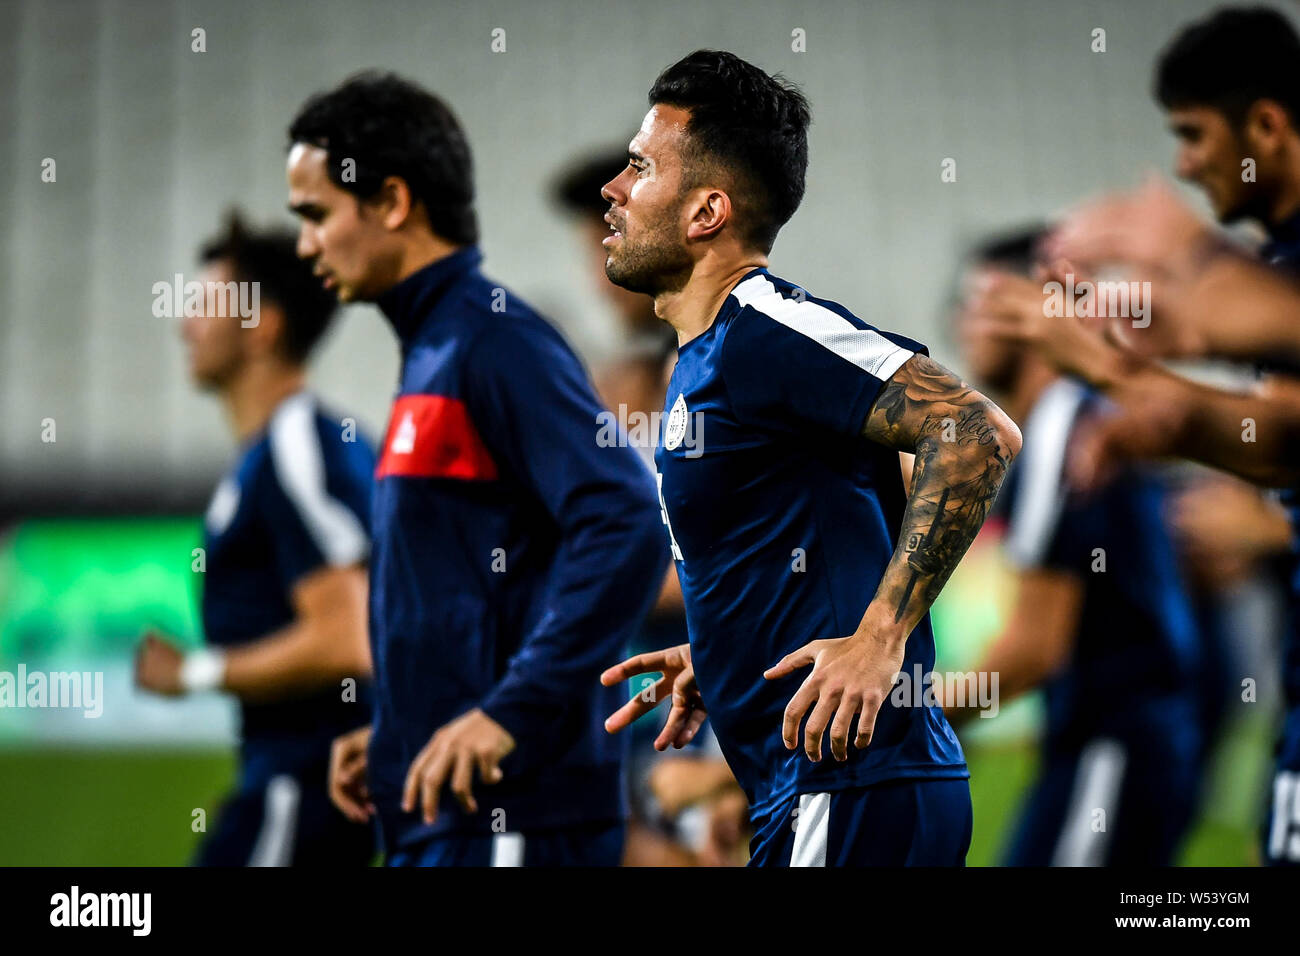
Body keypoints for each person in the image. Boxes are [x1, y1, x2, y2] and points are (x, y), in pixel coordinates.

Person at [600, 50, 1021, 866]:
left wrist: (880, 635)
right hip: (823, 787)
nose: (613, 190)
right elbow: (830, 513)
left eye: (640, 166)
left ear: (707, 211)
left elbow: (973, 431)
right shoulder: (705, 357)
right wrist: (725, 651)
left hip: (851, 781)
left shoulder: (766, 329)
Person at [286, 72, 666, 866]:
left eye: (316, 214)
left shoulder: (492, 344)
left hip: (514, 817)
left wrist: (510, 713)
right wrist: (401, 726)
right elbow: (467, 586)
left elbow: (625, 522)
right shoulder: (437, 351)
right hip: (450, 808)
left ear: (391, 202)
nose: (305, 244)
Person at [948, 229, 1204, 865]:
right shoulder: (1067, 420)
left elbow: (1035, 649)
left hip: (1114, 746)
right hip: (1112, 739)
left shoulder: (1066, 425)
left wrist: (894, 717)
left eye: (984, 303)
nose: (963, 323)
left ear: (1036, 312)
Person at [135, 213, 376, 867]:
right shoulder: (276, 451)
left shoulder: (296, 444)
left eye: (206, 306)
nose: (186, 325)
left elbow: (347, 637)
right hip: (295, 780)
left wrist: (196, 672)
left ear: (261, 326)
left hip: (307, 784)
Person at [554, 151, 747, 865]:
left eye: (612, 234)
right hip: (644, 686)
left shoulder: (738, 363)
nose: (601, 268)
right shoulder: (612, 388)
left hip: (730, 688)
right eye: (592, 247)